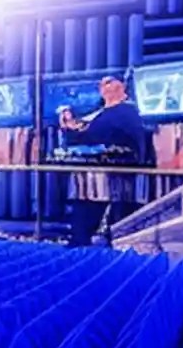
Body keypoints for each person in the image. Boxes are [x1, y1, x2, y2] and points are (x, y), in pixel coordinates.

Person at [59, 75, 150, 247]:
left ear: (122, 86)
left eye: (109, 82)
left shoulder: (124, 112)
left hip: (116, 177)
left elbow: (92, 136)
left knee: (106, 225)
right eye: (101, 84)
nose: (103, 86)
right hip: (102, 178)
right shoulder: (104, 114)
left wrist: (70, 130)